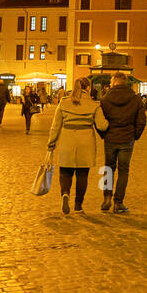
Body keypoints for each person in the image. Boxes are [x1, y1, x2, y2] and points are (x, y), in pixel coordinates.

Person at [47, 77, 106, 214]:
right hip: (86, 142)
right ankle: (78, 205)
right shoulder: (94, 104)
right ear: (88, 88)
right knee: (82, 175)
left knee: (65, 172)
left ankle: (65, 194)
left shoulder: (64, 102)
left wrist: (51, 143)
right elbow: (102, 126)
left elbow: (55, 126)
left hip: (67, 139)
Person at [98, 71, 147, 213]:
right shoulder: (135, 98)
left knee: (108, 168)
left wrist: (104, 134)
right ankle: (118, 203)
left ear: (114, 82)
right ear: (125, 82)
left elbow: (99, 120)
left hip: (110, 138)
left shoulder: (106, 98)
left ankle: (106, 197)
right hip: (127, 138)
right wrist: (135, 135)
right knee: (123, 171)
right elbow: (142, 120)